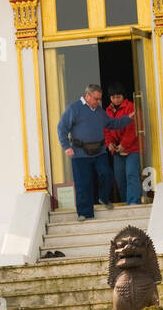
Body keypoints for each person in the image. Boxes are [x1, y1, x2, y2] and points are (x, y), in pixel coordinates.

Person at [56, 82, 112, 220]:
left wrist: (127, 119)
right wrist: (66, 146)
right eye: (96, 99)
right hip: (80, 153)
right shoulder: (74, 109)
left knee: (107, 174)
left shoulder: (99, 111)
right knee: (83, 183)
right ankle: (85, 213)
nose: (98, 102)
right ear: (87, 96)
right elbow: (62, 128)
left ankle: (103, 197)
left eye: (100, 99)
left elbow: (112, 123)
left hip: (99, 152)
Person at [104, 84, 142, 206]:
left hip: (132, 149)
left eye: (118, 97)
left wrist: (124, 144)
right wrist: (109, 143)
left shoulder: (131, 107)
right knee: (120, 178)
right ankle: (126, 202)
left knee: (131, 174)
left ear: (123, 96)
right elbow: (106, 130)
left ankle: (134, 202)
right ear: (110, 98)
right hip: (116, 150)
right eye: (113, 97)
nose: (116, 100)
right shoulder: (107, 111)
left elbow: (133, 128)